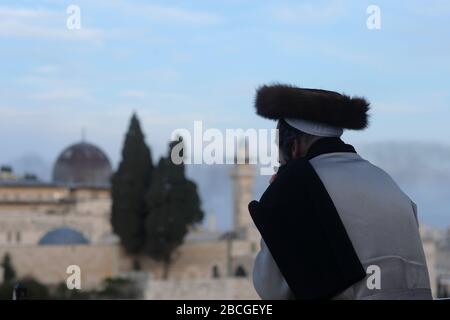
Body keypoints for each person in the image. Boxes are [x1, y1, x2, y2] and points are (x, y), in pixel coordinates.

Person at [249, 84, 432, 300]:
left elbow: (271, 289)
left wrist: (279, 196)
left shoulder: (293, 188)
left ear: (294, 147)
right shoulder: (384, 179)